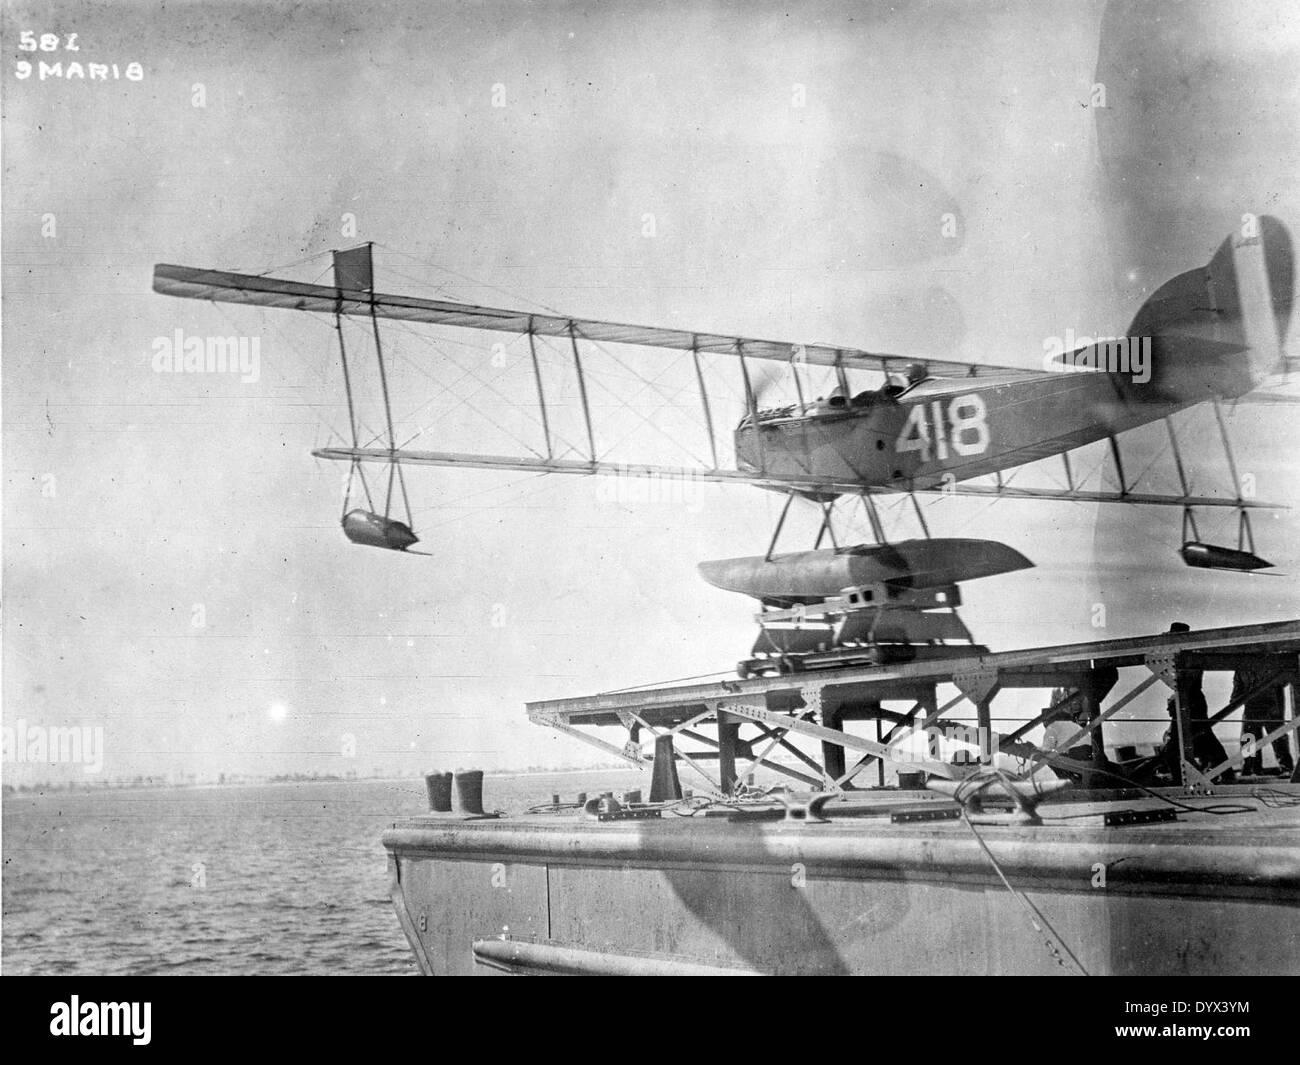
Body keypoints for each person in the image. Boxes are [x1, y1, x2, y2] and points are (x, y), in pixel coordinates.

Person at [1162, 622, 1232, 780]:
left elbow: (1186, 682)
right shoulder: (1189, 652)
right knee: (1206, 740)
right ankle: (1225, 773)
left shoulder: (1187, 655)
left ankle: (1180, 780)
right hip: (1191, 700)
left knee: (1176, 748)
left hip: (1190, 700)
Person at [1232, 660, 1295, 776]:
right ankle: (1250, 768)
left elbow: (1284, 680)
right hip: (1252, 708)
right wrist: (1234, 700)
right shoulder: (1242, 670)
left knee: (1277, 738)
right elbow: (1238, 688)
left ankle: (1286, 768)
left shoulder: (1269, 664)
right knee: (1249, 738)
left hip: (1270, 707)